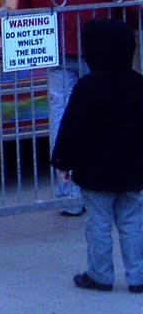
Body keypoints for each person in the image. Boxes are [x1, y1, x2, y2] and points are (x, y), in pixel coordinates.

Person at [28, 0, 138, 216]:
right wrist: (133, 20)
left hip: (54, 33)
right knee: (101, 111)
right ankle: (98, 184)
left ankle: (67, 189)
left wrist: (24, 22)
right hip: (98, 40)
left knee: (61, 110)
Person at [50, 19, 143, 292]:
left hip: (96, 172)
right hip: (133, 170)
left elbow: (72, 128)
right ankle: (137, 275)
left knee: (99, 223)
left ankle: (100, 275)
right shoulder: (139, 85)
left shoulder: (87, 88)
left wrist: (62, 162)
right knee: (132, 221)